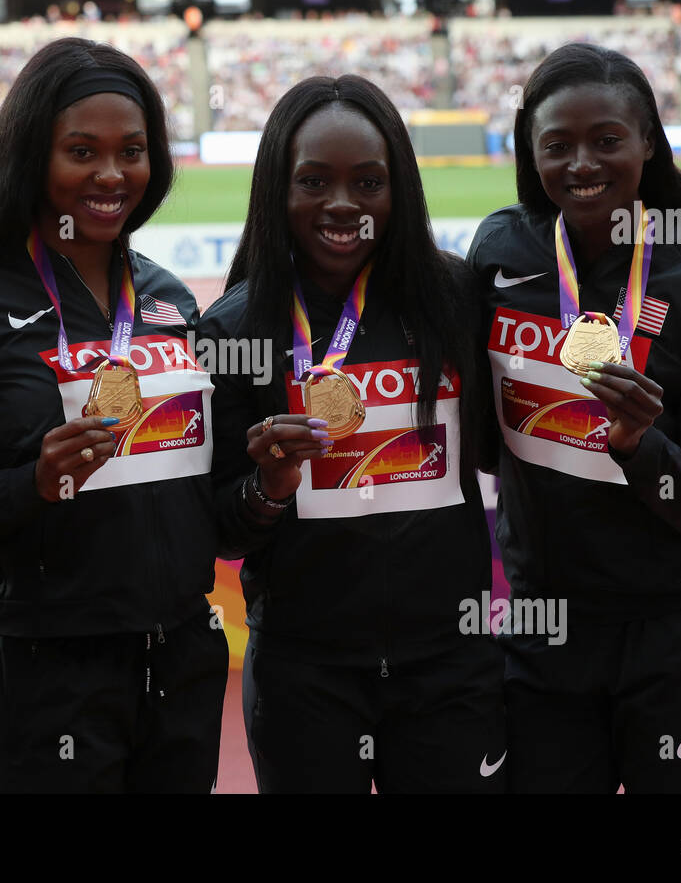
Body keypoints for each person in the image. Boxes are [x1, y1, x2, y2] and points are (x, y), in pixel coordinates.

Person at [0, 38, 228, 793]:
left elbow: (197, 486)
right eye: (81, 151)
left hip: (183, 652)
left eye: (132, 151)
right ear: (34, 155)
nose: (111, 174)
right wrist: (33, 480)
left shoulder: (168, 299)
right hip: (51, 664)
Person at [466, 42, 681, 793]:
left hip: (674, 631)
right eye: (556, 145)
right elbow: (489, 441)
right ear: (529, 154)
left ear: (648, 143)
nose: (581, 164)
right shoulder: (502, 252)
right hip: (544, 621)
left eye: (606, 140)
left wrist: (637, 447)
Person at [199, 75, 506, 793]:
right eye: (314, 181)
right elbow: (221, 528)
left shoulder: (453, 297)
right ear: (278, 189)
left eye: (368, 182)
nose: (343, 205)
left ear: (399, 189)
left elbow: (496, 453)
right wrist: (267, 488)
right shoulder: (232, 329)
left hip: (449, 665)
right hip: (305, 672)